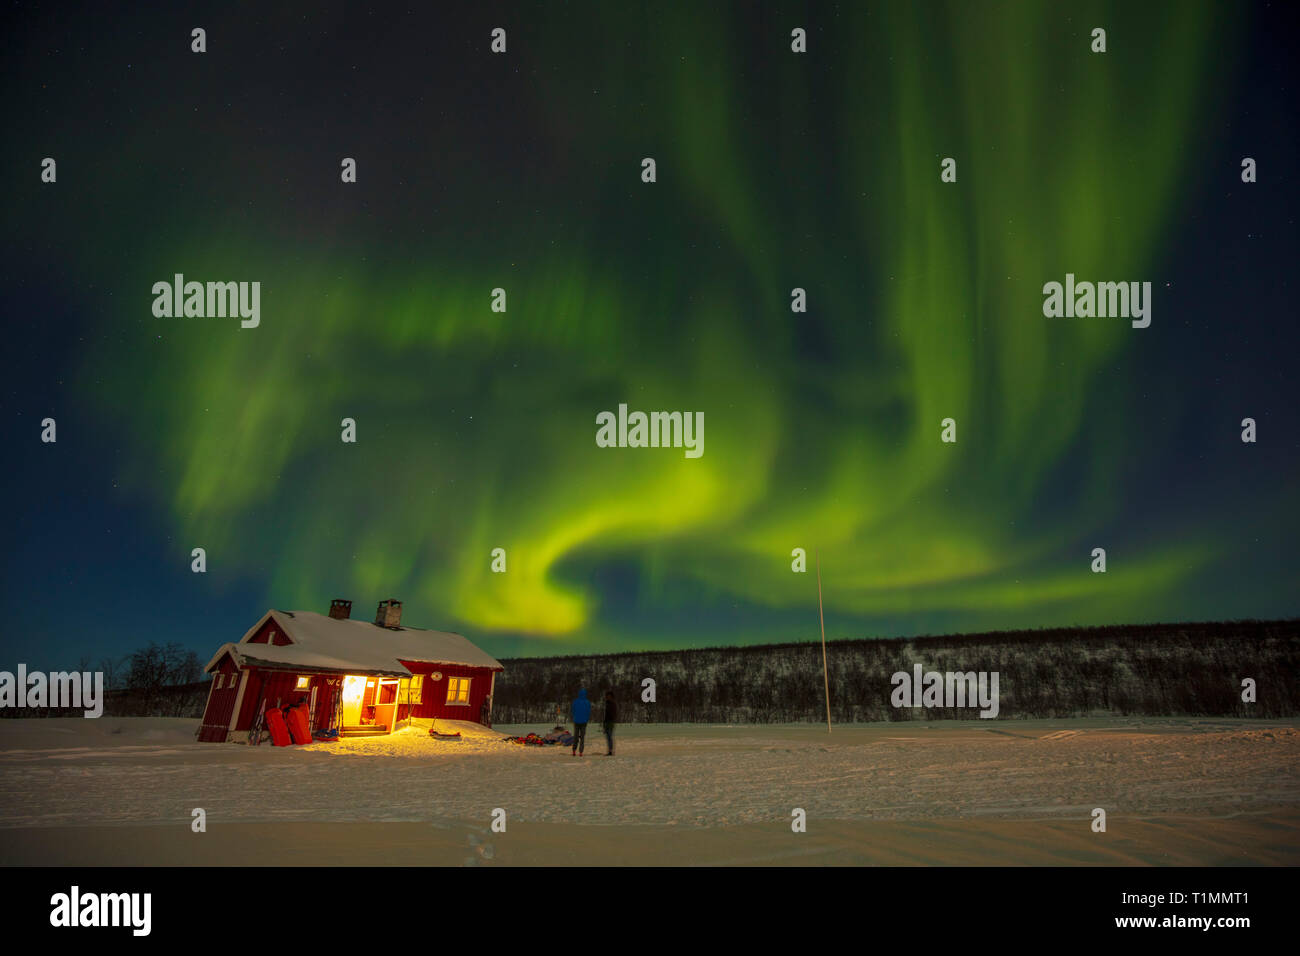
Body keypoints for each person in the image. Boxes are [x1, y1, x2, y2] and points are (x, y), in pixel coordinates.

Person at [571, 688, 591, 756]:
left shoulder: (575, 701)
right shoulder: (587, 702)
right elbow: (588, 712)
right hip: (584, 722)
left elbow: (573, 710)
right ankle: (581, 752)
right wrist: (587, 719)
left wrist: (574, 717)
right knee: (582, 737)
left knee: (576, 736)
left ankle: (574, 750)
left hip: (576, 721)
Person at [602, 690, 618, 756]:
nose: (607, 697)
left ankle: (610, 751)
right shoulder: (607, 703)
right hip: (607, 722)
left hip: (610, 722)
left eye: (609, 696)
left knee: (609, 736)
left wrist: (612, 719)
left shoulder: (613, 703)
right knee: (608, 737)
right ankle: (610, 750)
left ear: (611, 697)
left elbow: (614, 713)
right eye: (607, 696)